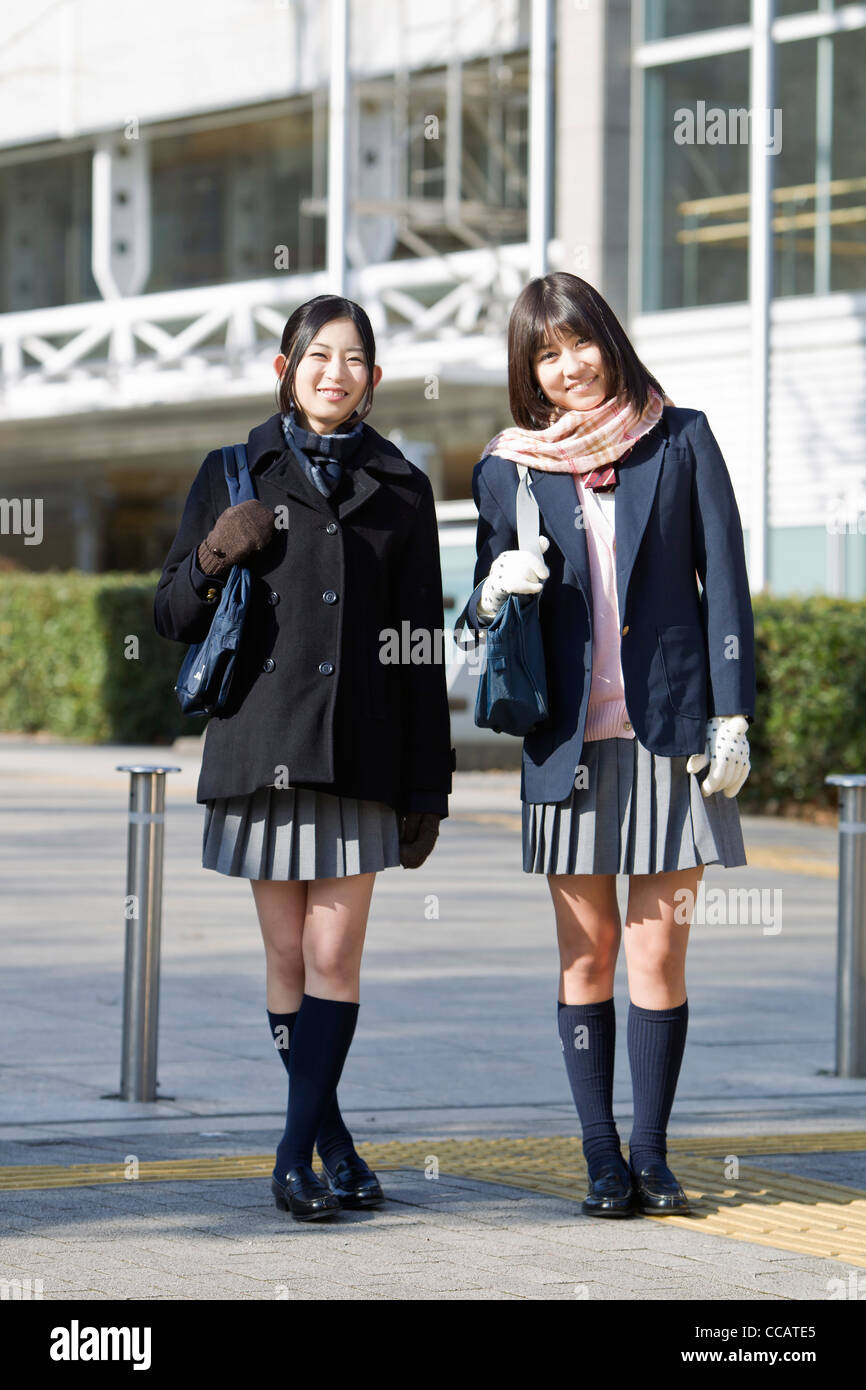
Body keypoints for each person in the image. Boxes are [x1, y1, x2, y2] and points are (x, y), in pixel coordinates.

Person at [456, 272, 755, 1218]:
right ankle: (599, 1159)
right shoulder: (510, 468)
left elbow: (728, 591)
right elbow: (475, 615)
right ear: (529, 370)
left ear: (609, 342)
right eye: (547, 353)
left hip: (674, 738)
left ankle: (655, 1156)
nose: (570, 366)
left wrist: (734, 712)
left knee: (657, 957)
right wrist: (499, 586)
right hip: (569, 744)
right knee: (584, 959)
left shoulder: (682, 437)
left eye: (581, 343)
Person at [154, 295, 454, 1221]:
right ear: (286, 366)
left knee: (333, 955)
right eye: (317, 354)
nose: (335, 370)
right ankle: (333, 1142)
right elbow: (169, 613)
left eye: (354, 357)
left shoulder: (401, 486)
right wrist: (213, 552)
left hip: (360, 756)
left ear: (373, 377)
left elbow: (420, 647)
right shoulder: (234, 469)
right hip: (263, 745)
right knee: (287, 955)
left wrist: (427, 787)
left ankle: (292, 1157)